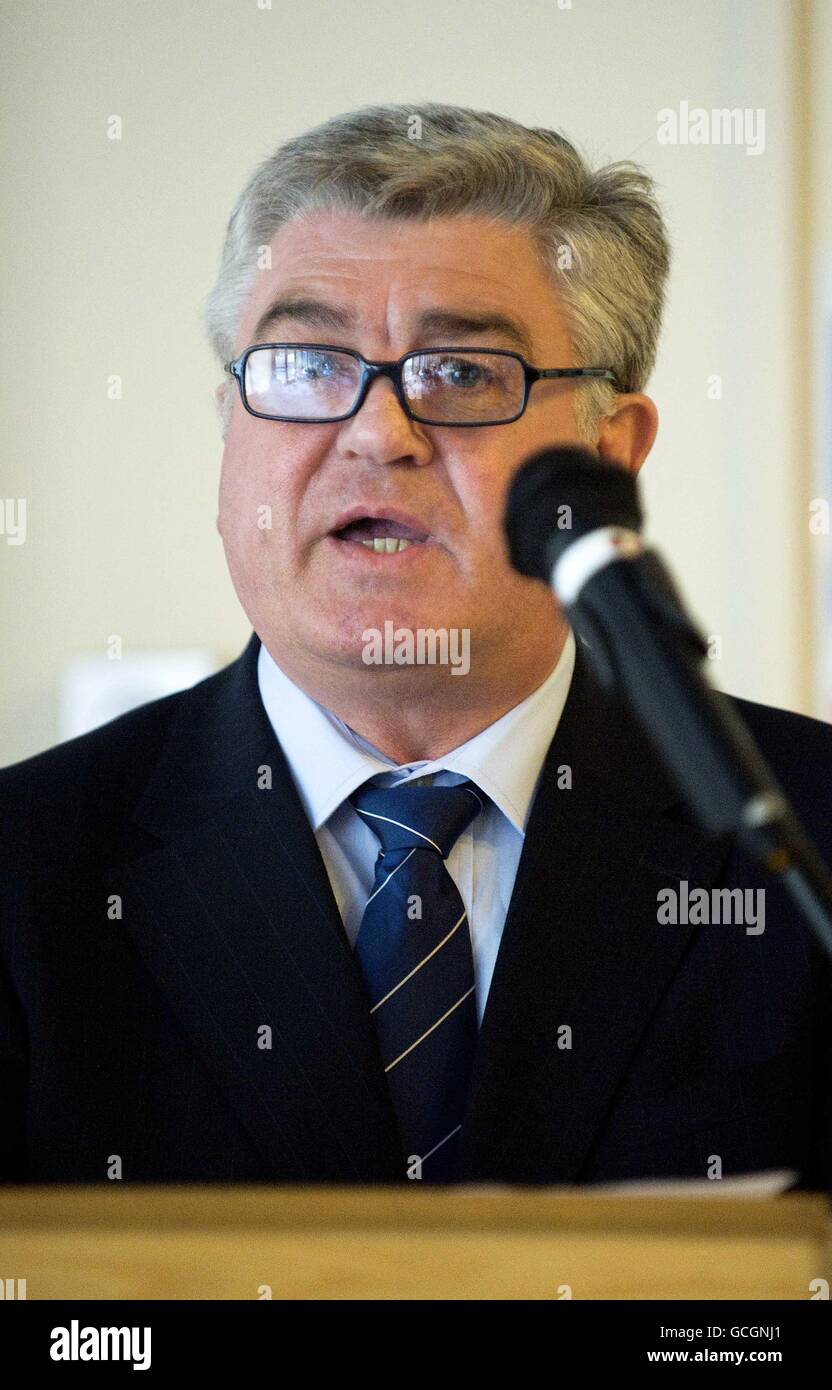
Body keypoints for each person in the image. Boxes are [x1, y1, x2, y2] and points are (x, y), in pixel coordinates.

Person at [1, 102, 830, 1187]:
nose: (376, 433)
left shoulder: (802, 848)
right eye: (304, 365)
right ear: (228, 433)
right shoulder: (25, 874)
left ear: (610, 458)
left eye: (461, 373)